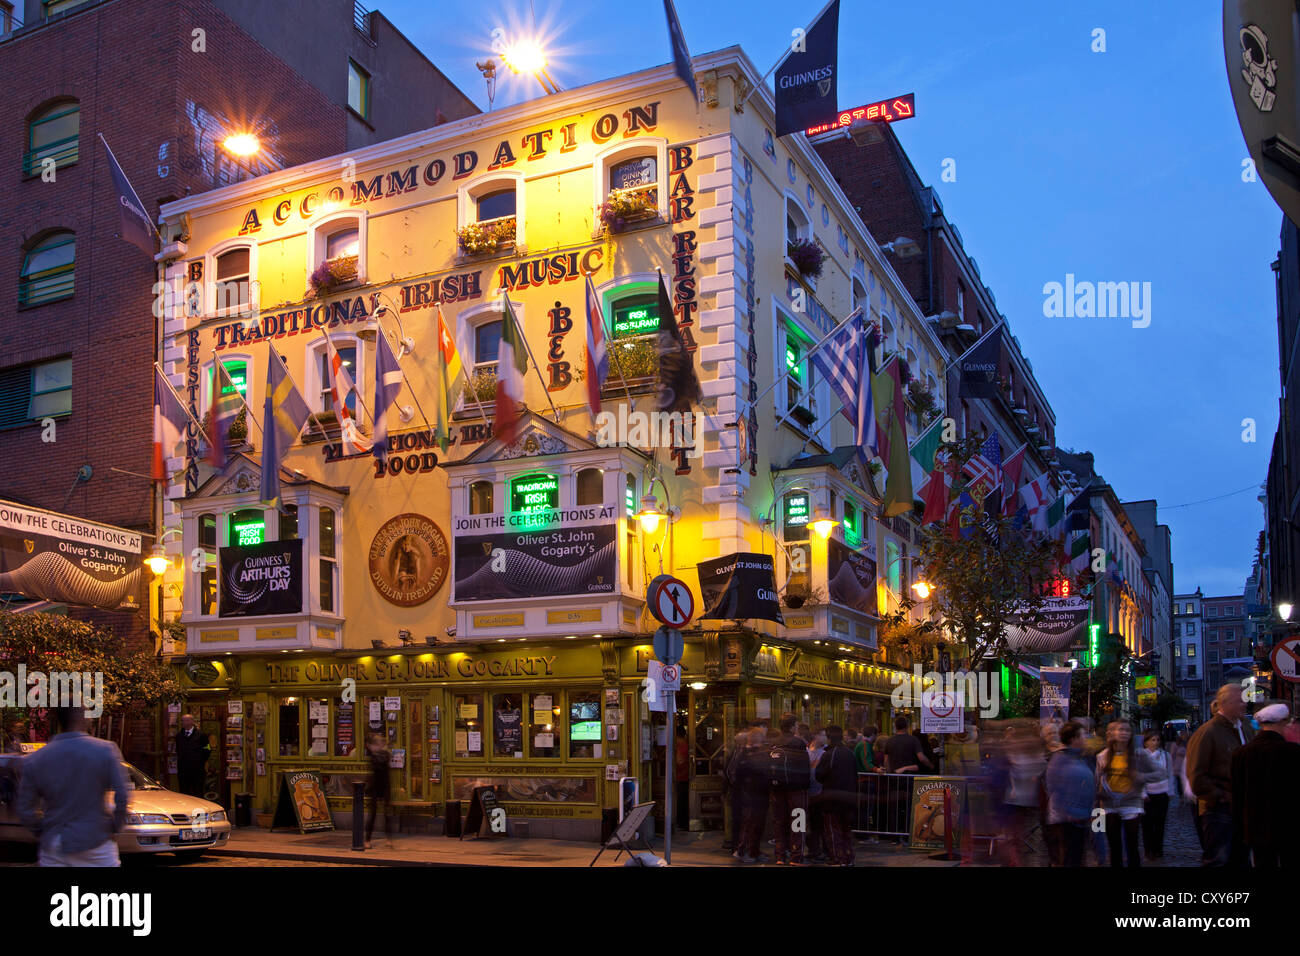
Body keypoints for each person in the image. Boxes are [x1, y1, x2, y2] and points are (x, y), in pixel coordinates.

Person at [16, 706, 129, 867]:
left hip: (55, 844)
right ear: (80, 717)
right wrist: (116, 827)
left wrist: (43, 831)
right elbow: (122, 795)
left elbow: (25, 808)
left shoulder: (36, 759)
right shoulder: (105, 750)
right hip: (96, 840)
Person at [1187, 683, 1255, 866]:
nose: (1244, 704)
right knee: (1218, 860)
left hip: (1242, 809)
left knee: (1241, 860)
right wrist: (1221, 796)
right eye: (1240, 700)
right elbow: (1197, 776)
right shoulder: (1207, 733)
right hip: (1218, 810)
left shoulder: (1245, 728)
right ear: (1225, 703)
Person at [1230, 703, 1300, 867]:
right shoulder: (1293, 752)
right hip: (1289, 825)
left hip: (1255, 826)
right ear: (1282, 723)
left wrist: (1240, 826)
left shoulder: (1241, 754)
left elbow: (1237, 794)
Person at [1096, 719, 1165, 867]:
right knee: (1114, 846)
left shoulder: (1138, 754)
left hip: (1131, 803)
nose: (1124, 733)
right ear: (1111, 733)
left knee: (1132, 844)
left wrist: (1142, 777)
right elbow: (1098, 780)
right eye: (1120, 729)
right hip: (1109, 803)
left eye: (1127, 730)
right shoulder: (1103, 755)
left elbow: (1161, 772)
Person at [1045, 721, 1095, 866]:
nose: (1086, 738)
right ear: (1073, 739)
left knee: (1077, 856)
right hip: (1067, 819)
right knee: (1069, 858)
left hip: (1081, 816)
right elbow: (1053, 788)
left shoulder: (1083, 757)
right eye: (1083, 735)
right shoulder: (1060, 759)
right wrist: (1068, 812)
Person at [768, 713, 811, 865]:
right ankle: (796, 856)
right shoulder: (798, 743)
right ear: (793, 726)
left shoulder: (774, 743)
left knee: (779, 822)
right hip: (797, 790)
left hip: (777, 789)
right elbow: (805, 767)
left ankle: (780, 856)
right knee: (797, 823)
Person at [815, 725, 857, 866]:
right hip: (849, 797)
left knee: (833, 831)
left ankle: (838, 858)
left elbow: (819, 775)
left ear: (829, 738)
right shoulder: (850, 753)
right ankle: (849, 857)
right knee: (846, 829)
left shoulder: (829, 754)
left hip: (832, 799)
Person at [735, 727, 771, 863]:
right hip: (753, 794)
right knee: (751, 825)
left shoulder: (747, 753)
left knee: (755, 825)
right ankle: (744, 851)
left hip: (755, 794)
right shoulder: (748, 754)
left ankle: (753, 851)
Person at [1141, 730, 1172, 860]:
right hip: (1147, 794)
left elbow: (1170, 774)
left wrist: (1170, 791)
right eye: (1153, 740)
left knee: (1160, 822)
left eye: (1158, 740)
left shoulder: (1165, 755)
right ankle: (1148, 849)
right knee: (1147, 823)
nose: (1155, 743)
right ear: (1146, 742)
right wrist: (1142, 793)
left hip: (1162, 793)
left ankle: (1158, 848)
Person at [364, 734, 393, 848]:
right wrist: (373, 750)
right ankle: (367, 840)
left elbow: (383, 761)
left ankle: (388, 839)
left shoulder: (384, 754)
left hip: (384, 786)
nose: (380, 745)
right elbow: (376, 764)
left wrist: (375, 750)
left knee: (387, 814)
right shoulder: (373, 755)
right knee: (373, 814)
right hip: (375, 787)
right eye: (378, 743)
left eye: (381, 743)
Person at [175, 713, 211, 798]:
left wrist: (200, 760)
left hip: (197, 770)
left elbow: (208, 749)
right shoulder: (179, 736)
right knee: (184, 793)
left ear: (192, 722)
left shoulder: (201, 735)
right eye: (183, 721)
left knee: (197, 792)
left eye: (187, 720)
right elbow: (178, 750)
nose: (185, 723)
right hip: (183, 770)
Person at [674, 725, 690, 831]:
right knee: (682, 800)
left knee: (681, 801)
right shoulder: (684, 744)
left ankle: (682, 823)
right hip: (683, 776)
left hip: (681, 777)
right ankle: (682, 823)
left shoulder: (681, 745)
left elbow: (680, 760)